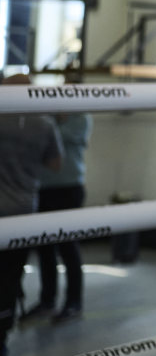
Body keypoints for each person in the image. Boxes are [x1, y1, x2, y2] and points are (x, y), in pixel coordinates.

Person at [0, 74, 63, 356]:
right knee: (11, 277)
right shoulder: (44, 122)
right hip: (24, 208)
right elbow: (55, 165)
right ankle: (1, 338)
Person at [23, 108, 92, 324]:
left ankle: (74, 302)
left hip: (69, 188)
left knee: (68, 246)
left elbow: (54, 137)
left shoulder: (81, 118)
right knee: (44, 247)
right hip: (43, 188)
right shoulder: (48, 119)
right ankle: (47, 300)